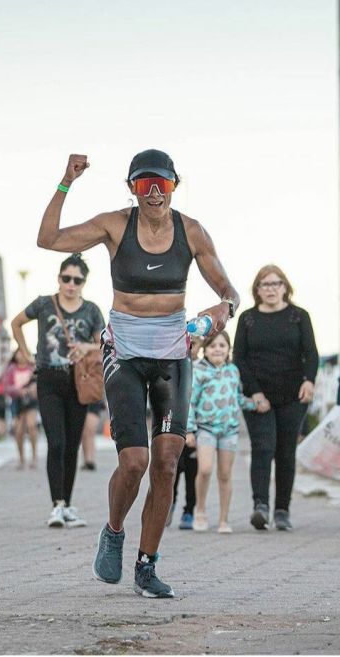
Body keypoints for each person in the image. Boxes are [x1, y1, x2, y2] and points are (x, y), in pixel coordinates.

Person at [37, 150, 239, 598]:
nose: (153, 193)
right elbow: (47, 239)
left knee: (167, 462)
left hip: (172, 354)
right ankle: (113, 532)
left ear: (173, 186)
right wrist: (66, 181)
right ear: (132, 188)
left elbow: (229, 291)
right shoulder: (114, 225)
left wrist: (221, 310)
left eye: (161, 185)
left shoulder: (192, 231)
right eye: (144, 184)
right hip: (124, 352)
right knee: (135, 462)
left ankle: (147, 565)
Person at [10, 255, 105, 529]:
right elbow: (15, 323)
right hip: (49, 379)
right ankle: (57, 505)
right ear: (59, 278)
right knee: (57, 442)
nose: (71, 285)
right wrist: (26, 352)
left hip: (79, 381)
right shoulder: (44, 304)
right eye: (67, 278)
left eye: (77, 280)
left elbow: (104, 345)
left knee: (73, 445)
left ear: (84, 283)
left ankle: (68, 503)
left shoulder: (91, 311)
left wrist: (86, 348)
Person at [233, 265, 318, 531]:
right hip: (257, 395)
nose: (270, 289)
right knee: (263, 447)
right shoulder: (248, 319)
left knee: (285, 452)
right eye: (265, 284)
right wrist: (255, 391)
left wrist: (309, 380)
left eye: (275, 283)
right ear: (257, 290)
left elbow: (311, 353)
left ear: (285, 287)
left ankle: (282, 510)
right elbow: (239, 359)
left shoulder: (299, 316)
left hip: (292, 395)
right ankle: (261, 506)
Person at [187, 331, 256, 533]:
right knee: (205, 469)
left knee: (225, 474)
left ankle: (224, 519)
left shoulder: (233, 371)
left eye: (222, 345)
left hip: (229, 430)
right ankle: (200, 510)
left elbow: (238, 397)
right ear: (205, 350)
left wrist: (254, 404)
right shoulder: (199, 371)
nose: (218, 349)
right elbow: (191, 402)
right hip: (206, 428)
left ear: (228, 349)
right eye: (213, 346)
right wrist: (190, 430)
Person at [167, 335, 203, 530]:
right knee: (171, 472)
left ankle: (189, 510)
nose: (190, 348)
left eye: (194, 345)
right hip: (175, 429)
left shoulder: (203, 370)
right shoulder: (172, 367)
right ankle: (168, 506)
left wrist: (195, 431)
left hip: (195, 434)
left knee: (192, 475)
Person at [3, 350, 39, 469]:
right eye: (19, 353)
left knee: (31, 425)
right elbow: (6, 386)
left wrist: (32, 389)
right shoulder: (11, 369)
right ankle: (21, 458)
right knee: (18, 431)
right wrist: (18, 390)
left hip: (31, 401)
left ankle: (34, 457)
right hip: (17, 402)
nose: (21, 355)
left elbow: (38, 381)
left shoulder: (32, 368)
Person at [80, 399, 105, 471]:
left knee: (88, 432)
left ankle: (89, 459)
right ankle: (89, 459)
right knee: (88, 434)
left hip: (91, 398)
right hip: (91, 397)